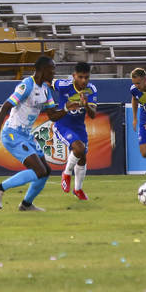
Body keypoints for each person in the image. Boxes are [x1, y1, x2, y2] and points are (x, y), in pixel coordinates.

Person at [0, 55, 77, 212]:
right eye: (52, 69)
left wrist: (66, 109)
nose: (54, 72)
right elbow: (6, 107)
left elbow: (52, 116)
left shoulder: (46, 90)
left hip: (26, 135)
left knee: (46, 171)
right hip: (12, 134)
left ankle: (26, 205)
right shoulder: (26, 85)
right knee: (39, 170)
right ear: (42, 69)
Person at [53, 60, 98, 200]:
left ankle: (78, 189)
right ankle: (66, 173)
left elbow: (93, 115)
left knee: (82, 157)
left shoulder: (91, 90)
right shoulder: (64, 85)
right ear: (74, 76)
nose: (84, 80)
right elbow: (49, 81)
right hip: (62, 125)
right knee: (78, 149)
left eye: (86, 77)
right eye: (80, 77)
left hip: (79, 127)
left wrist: (86, 105)